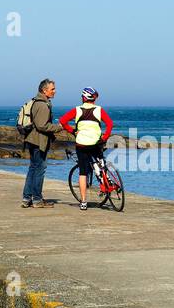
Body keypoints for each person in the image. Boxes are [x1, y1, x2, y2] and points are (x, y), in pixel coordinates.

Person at [58, 87, 112, 211]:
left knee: (83, 172)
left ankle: (83, 202)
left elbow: (62, 121)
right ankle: (105, 181)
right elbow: (109, 123)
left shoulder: (77, 110)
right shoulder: (99, 110)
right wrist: (105, 137)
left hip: (81, 144)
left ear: (83, 98)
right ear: (94, 98)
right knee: (100, 162)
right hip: (96, 143)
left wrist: (73, 131)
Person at [20, 78, 66, 208]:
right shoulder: (42, 105)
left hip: (32, 139)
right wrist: (59, 127)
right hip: (38, 141)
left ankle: (27, 198)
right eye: (52, 89)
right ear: (44, 90)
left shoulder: (36, 101)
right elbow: (42, 126)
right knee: (39, 169)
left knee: (33, 169)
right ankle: (37, 200)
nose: (55, 91)